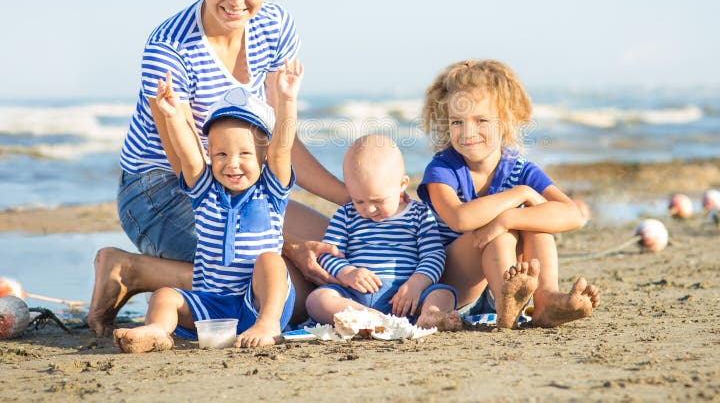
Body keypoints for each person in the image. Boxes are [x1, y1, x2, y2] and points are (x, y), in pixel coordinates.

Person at [89, 0, 349, 337]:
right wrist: (286, 245)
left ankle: (146, 271)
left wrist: (355, 202)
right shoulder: (169, 48)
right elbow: (188, 167)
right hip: (162, 191)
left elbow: (279, 144)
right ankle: (132, 271)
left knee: (340, 252)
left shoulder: (275, 26)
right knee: (284, 286)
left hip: (244, 186)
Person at [115, 64, 302, 353]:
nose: (233, 163)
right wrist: (174, 114)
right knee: (164, 296)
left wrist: (287, 100)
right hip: (211, 305)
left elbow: (282, 149)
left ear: (264, 155)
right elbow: (189, 157)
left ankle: (268, 326)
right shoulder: (205, 192)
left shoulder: (271, 191)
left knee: (270, 261)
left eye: (245, 153)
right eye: (222, 154)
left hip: (257, 302)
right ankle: (157, 330)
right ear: (211, 155)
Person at [416, 60, 600, 329]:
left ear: (506, 122)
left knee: (535, 222)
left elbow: (573, 216)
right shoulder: (443, 168)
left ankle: (545, 299)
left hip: (511, 279)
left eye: (481, 120)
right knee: (503, 234)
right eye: (457, 122)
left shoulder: (520, 168)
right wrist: (519, 196)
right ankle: (506, 303)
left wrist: (508, 218)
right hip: (456, 288)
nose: (468, 132)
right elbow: (459, 219)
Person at [305, 134, 462, 331]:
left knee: (444, 294)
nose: (369, 210)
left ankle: (430, 316)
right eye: (359, 200)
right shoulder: (345, 214)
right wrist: (348, 272)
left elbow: (434, 255)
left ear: (402, 185)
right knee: (317, 299)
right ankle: (370, 319)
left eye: (378, 201)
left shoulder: (419, 214)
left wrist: (416, 283)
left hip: (406, 297)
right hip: (355, 298)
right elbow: (328, 254)